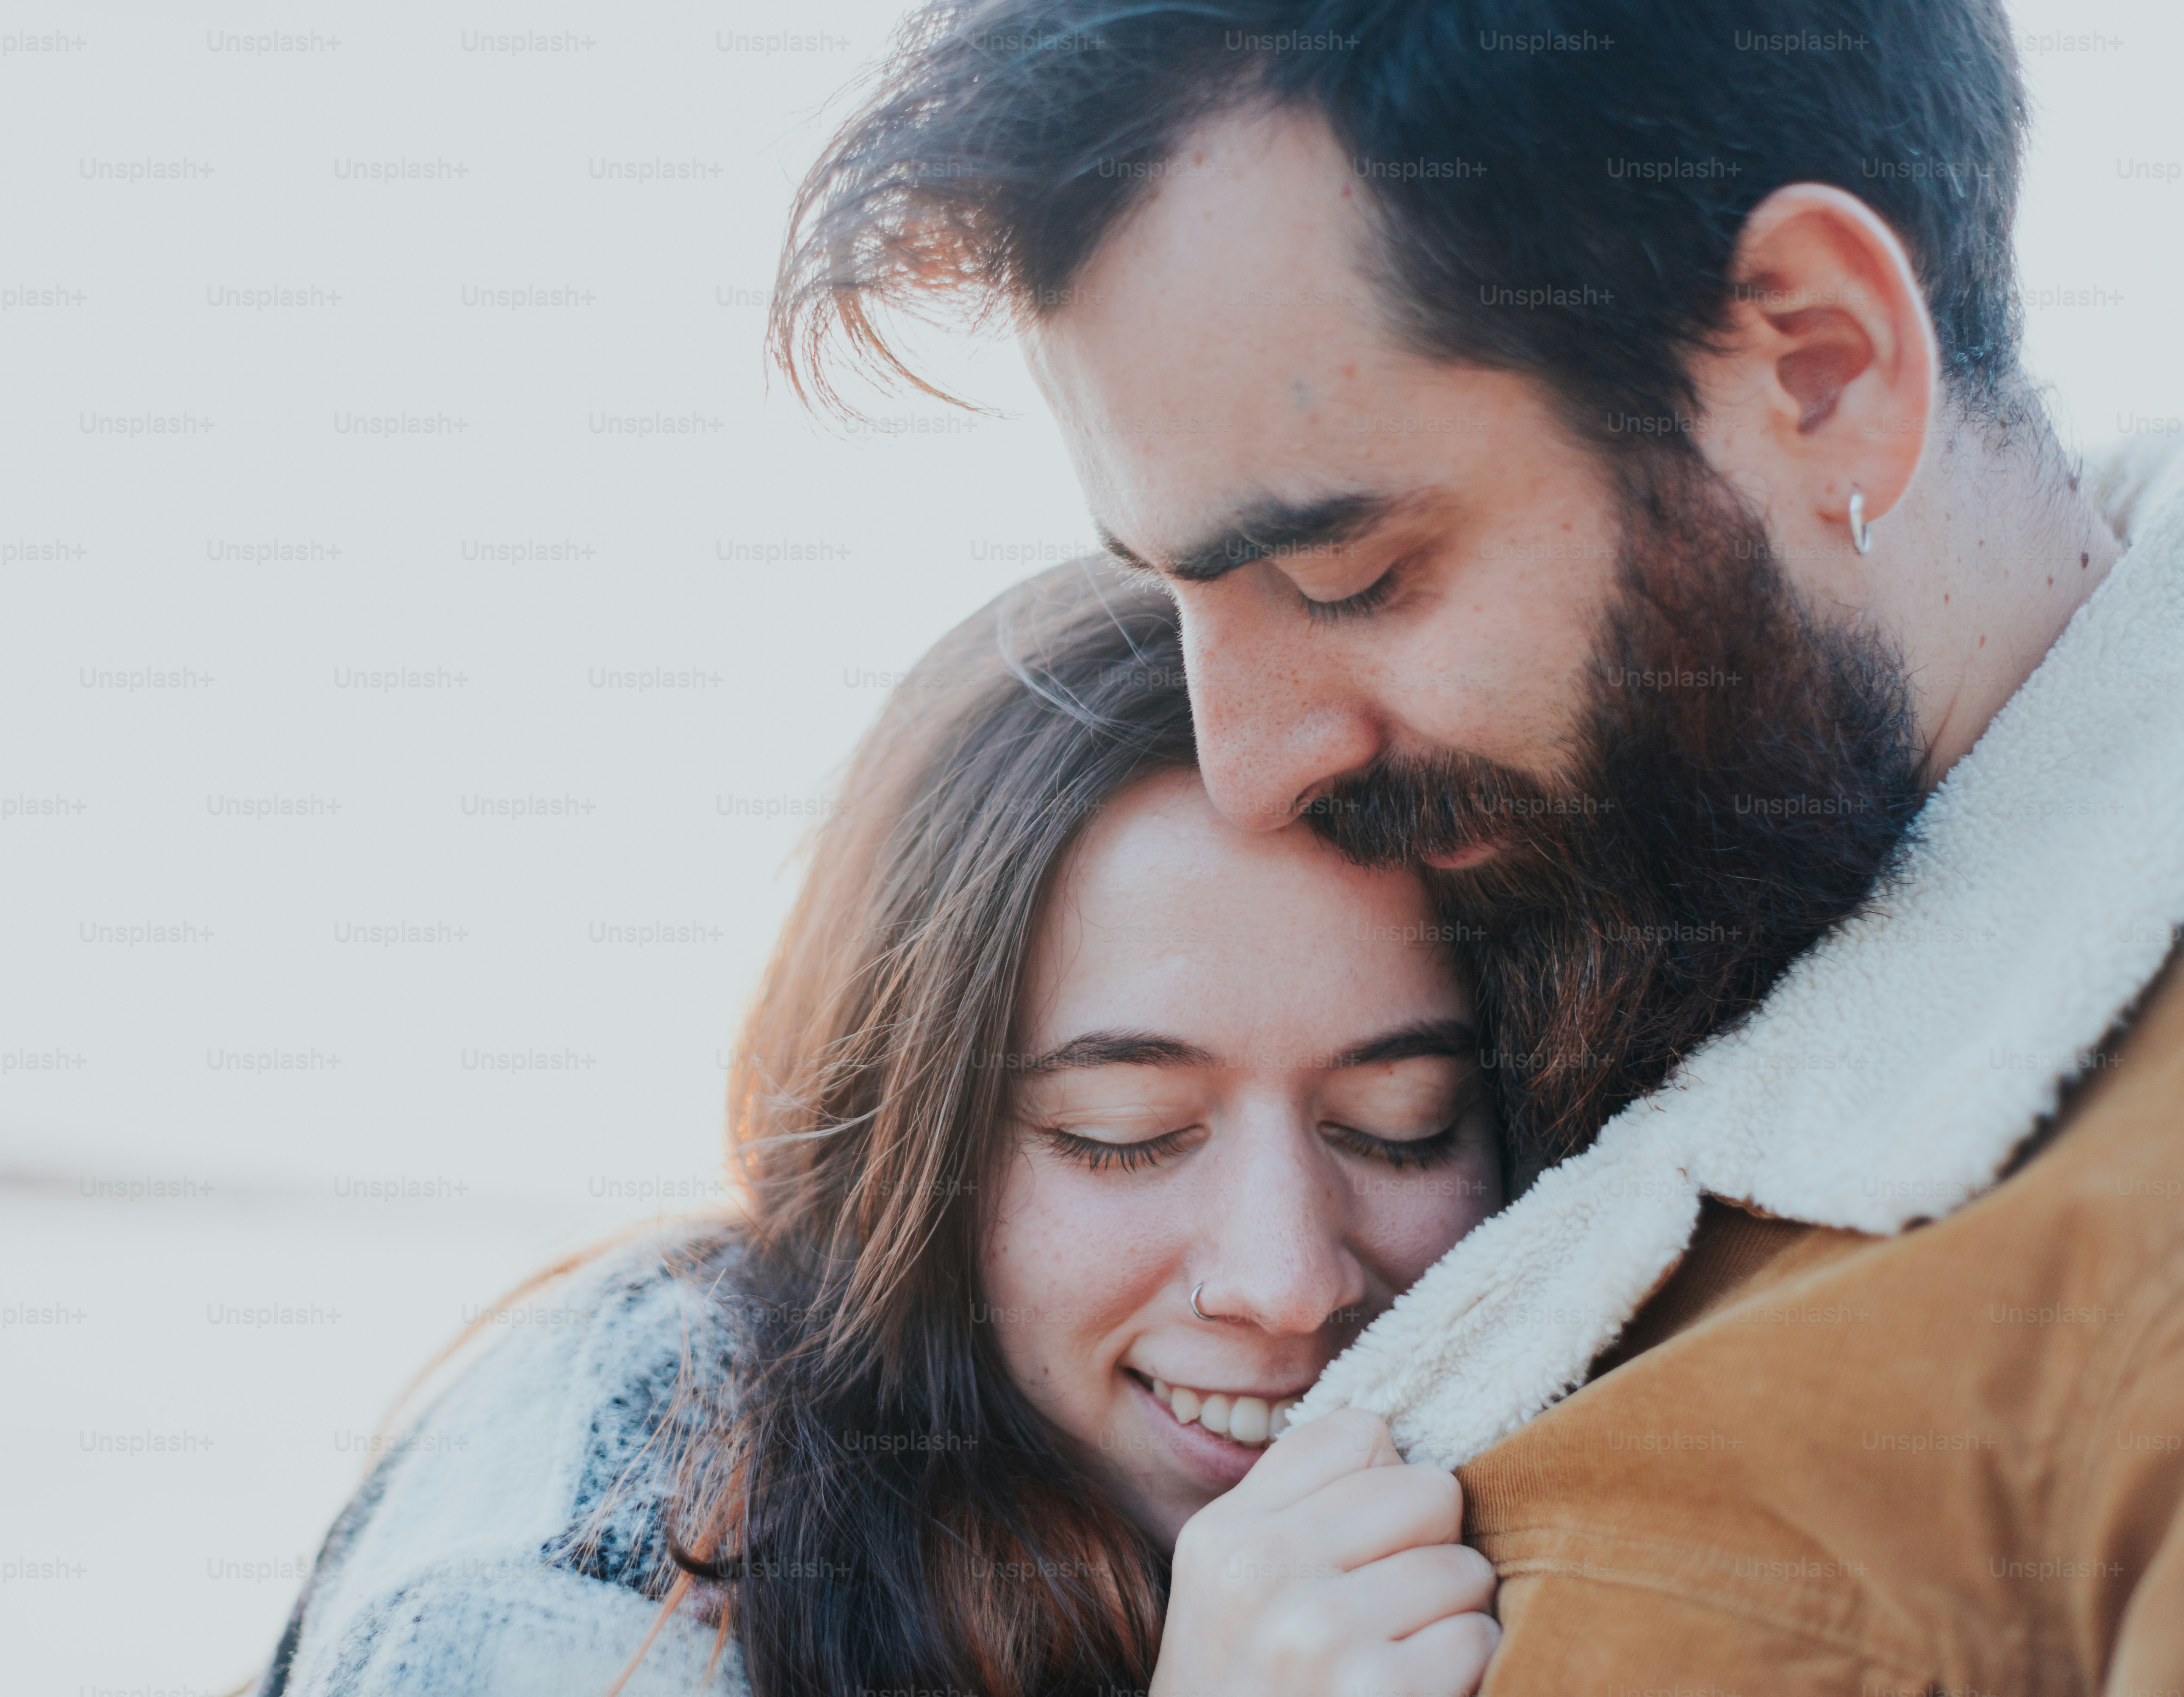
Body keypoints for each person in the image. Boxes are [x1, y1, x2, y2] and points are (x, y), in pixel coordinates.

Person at [770, 0, 2184, 1689]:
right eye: (1173, 589)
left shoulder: (2122, 1294)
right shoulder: (1649, 884)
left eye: (1350, 578)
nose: (1248, 772)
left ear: (1822, 365)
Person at [252, 569, 1509, 1695]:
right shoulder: (577, 1586)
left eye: (1402, 1126)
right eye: (1124, 1133)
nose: (1288, 1283)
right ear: (901, 1142)